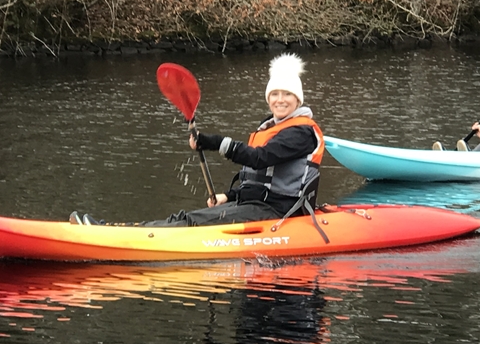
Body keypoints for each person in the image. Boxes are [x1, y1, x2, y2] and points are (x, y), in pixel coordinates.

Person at [71, 53, 325, 226]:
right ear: (268, 98)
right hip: (258, 205)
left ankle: (112, 234)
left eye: (287, 95)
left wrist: (213, 142)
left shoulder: (300, 133)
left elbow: (260, 159)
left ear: (298, 100)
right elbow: (261, 180)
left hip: (279, 213)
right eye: (275, 94)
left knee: (194, 220)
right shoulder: (270, 126)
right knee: (193, 216)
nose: (280, 100)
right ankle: (117, 230)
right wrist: (231, 195)